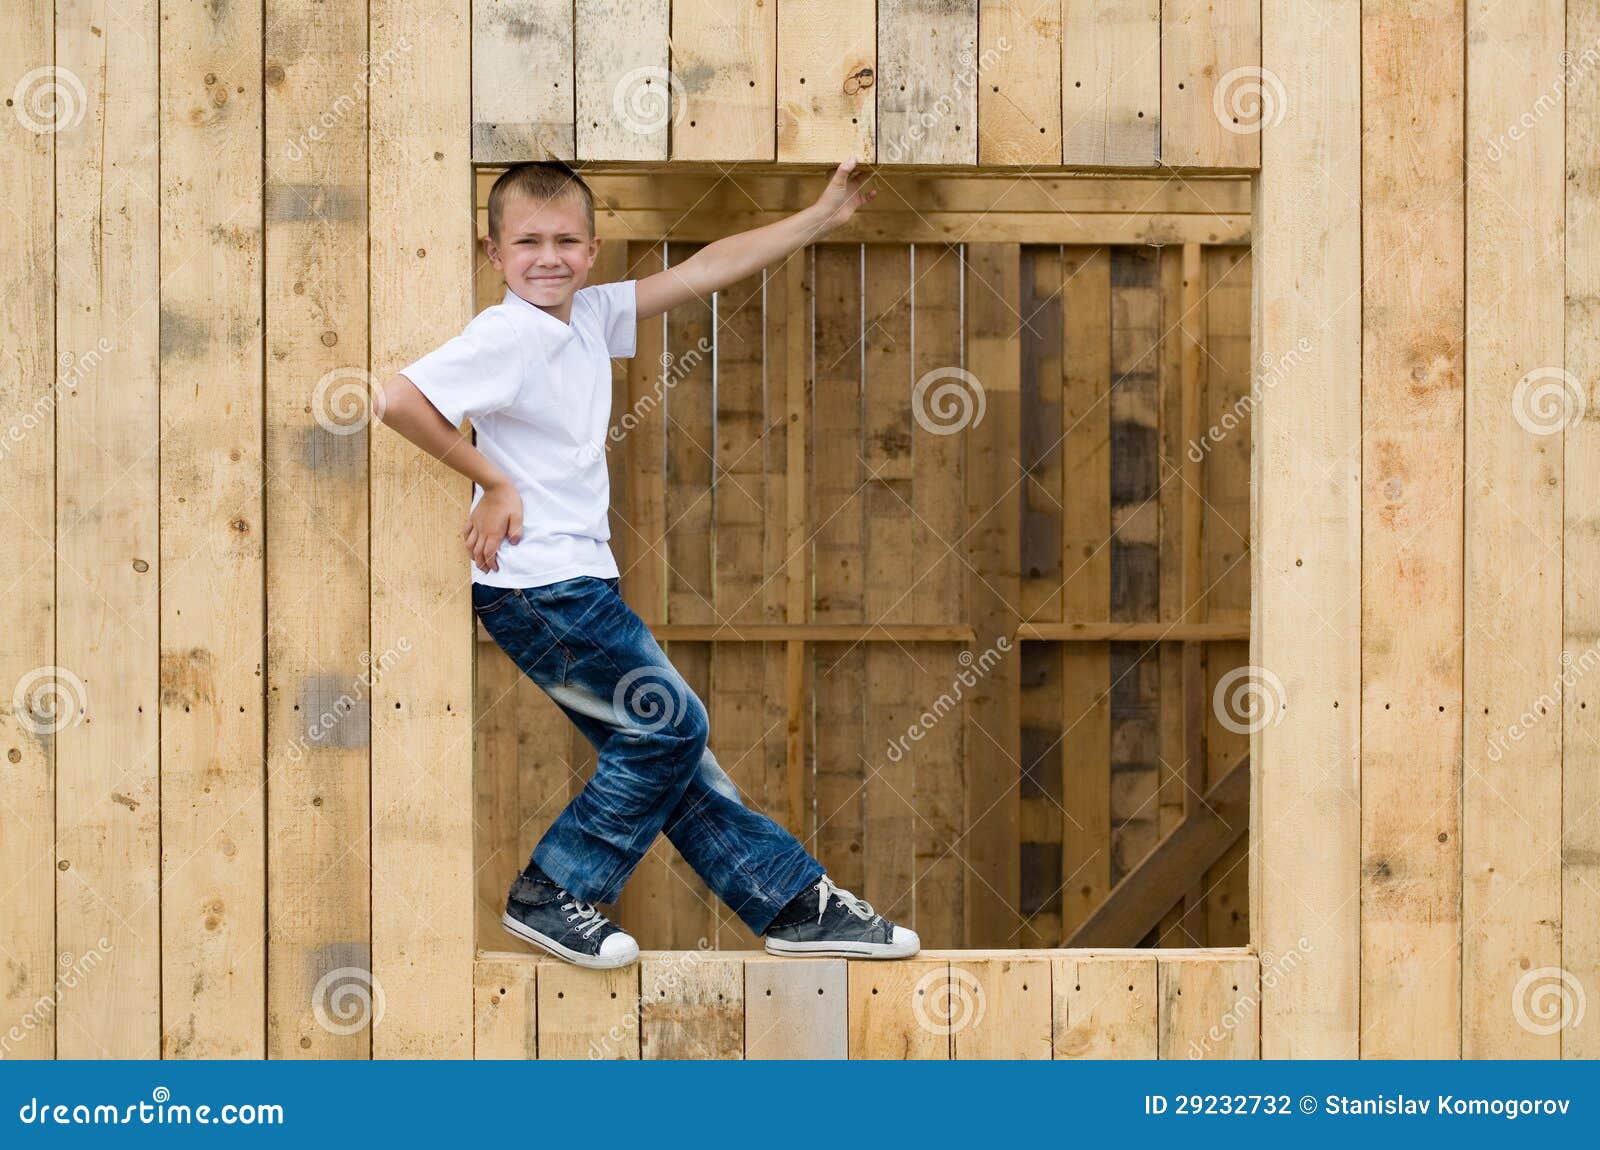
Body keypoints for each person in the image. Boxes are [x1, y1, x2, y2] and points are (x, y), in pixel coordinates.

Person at [375, 157, 920, 970]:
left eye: (566, 240)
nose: (548, 257)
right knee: (671, 727)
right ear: (494, 254)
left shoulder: (585, 316)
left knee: (669, 755)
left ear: (593, 250)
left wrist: (820, 217)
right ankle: (553, 893)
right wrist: (491, 479)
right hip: (541, 587)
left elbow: (705, 269)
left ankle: (790, 902)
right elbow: (395, 399)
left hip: (570, 584)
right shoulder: (507, 334)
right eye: (527, 242)